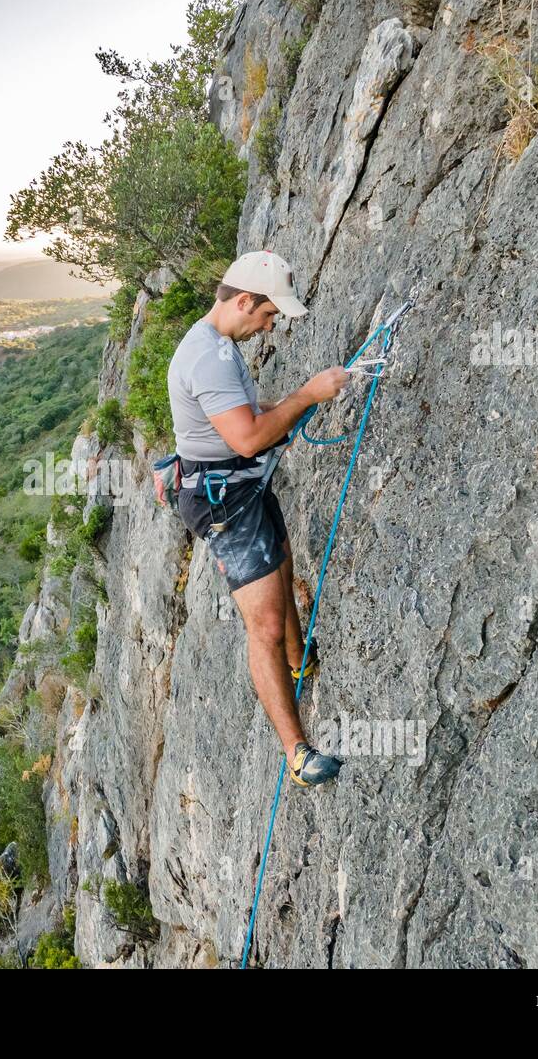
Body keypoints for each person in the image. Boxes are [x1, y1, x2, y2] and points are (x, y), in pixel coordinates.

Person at [167, 250, 348, 787]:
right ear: (243, 301)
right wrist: (305, 396)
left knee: (282, 562)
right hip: (224, 502)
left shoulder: (218, 344)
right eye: (269, 314)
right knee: (264, 624)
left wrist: (278, 413)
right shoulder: (208, 357)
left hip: (239, 483)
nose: (271, 325)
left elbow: (239, 415)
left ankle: (300, 660)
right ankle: (298, 754)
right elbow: (245, 437)